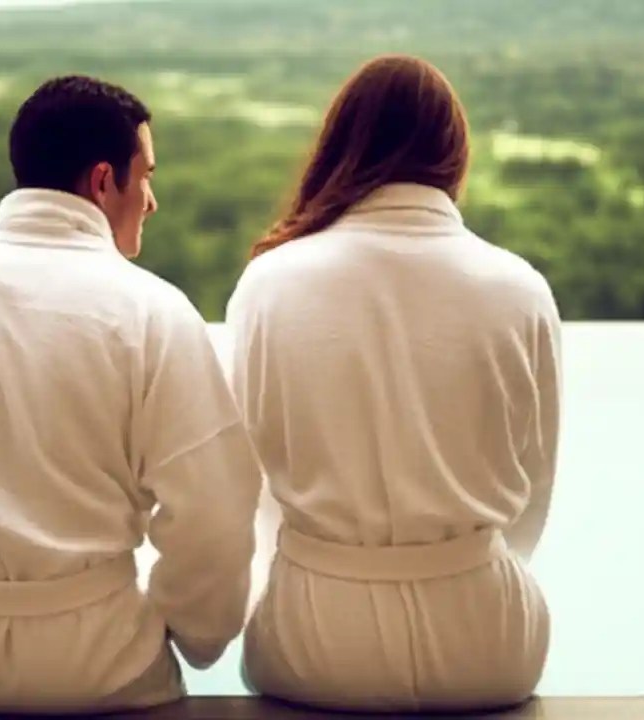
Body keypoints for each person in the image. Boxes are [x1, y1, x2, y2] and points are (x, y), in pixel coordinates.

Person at [0, 75, 261, 714]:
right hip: (94, 665)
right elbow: (215, 517)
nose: (151, 200)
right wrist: (194, 634)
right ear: (103, 181)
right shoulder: (151, 311)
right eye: (145, 175)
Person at [227, 55, 562, 713]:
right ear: (453, 155)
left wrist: (310, 564)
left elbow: (247, 482)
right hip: (489, 645)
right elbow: (532, 494)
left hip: (314, 643)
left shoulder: (271, 284)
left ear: (338, 147)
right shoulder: (519, 288)